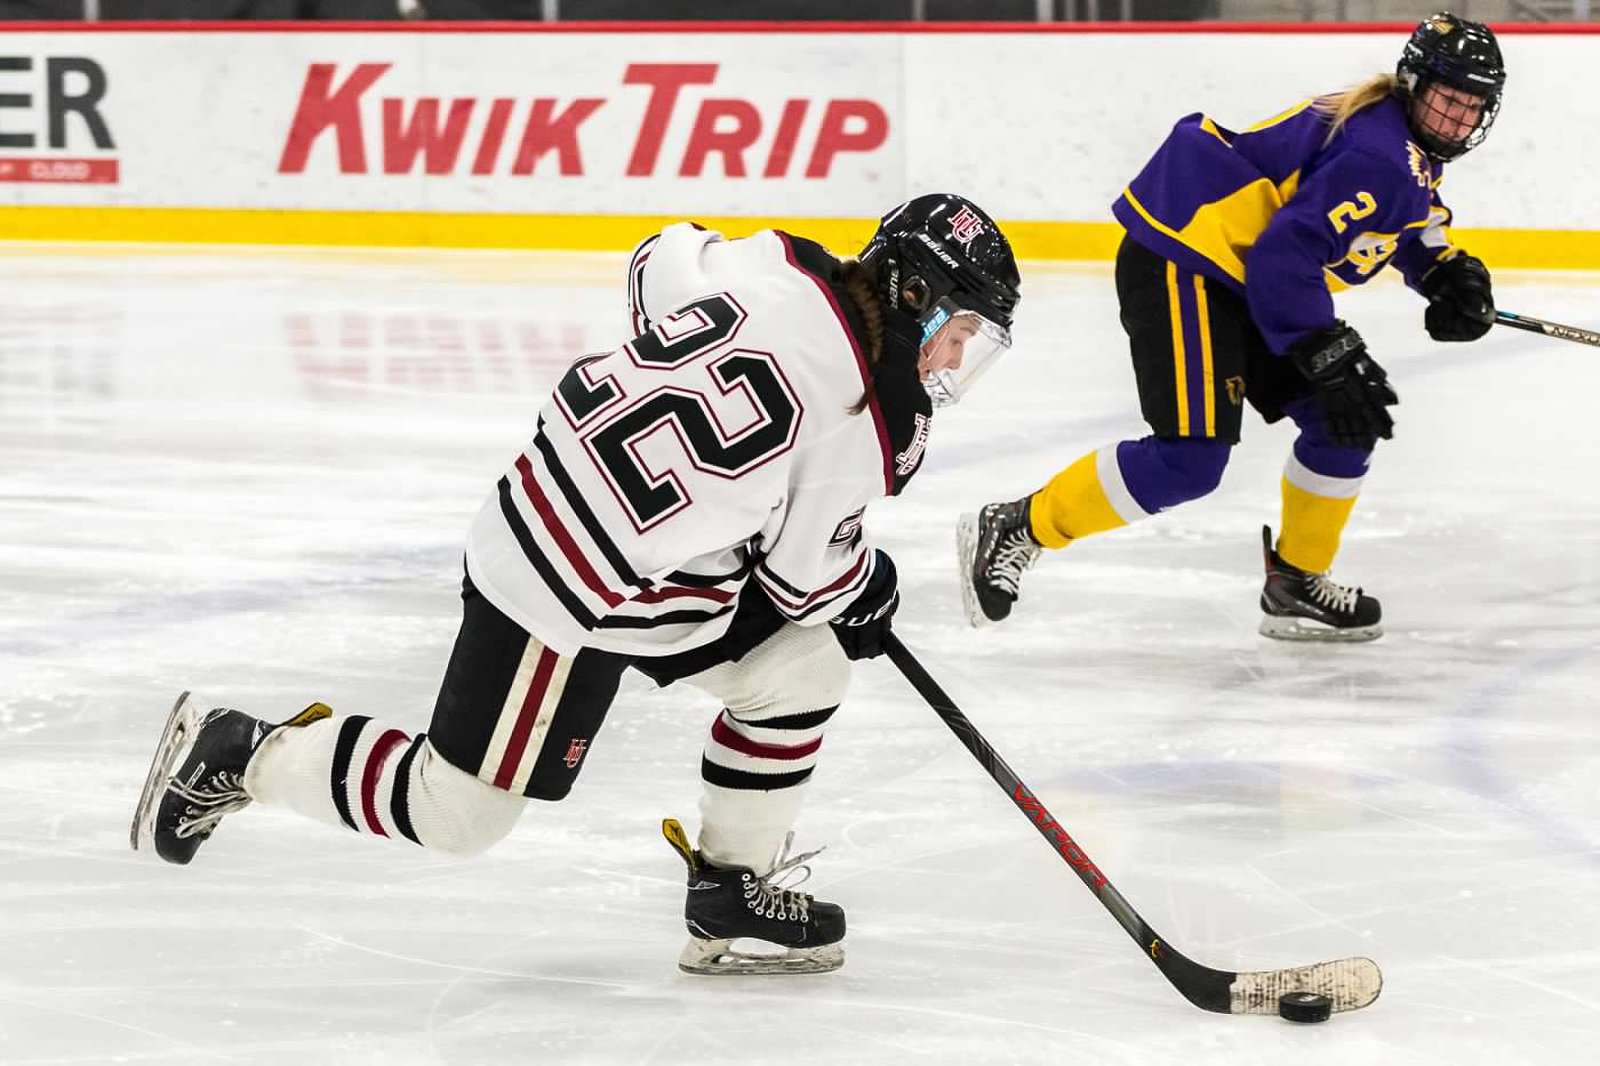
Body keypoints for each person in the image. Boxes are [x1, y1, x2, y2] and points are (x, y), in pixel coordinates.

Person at [131, 194, 1022, 976]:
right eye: (961, 332)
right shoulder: (870, 421)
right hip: (568, 594)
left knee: (801, 674)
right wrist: (865, 586)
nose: (952, 360)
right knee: (460, 814)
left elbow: (656, 257)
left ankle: (732, 896)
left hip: (595, 536)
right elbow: (802, 583)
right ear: (917, 296)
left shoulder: (776, 263)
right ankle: (242, 751)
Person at [958, 12, 1505, 643]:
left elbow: (1406, 217)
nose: (1457, 120)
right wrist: (1323, 347)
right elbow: (1285, 256)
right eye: (1448, 100)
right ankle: (1021, 525)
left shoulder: (1399, 142)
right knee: (1190, 459)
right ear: (1414, 83)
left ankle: (1297, 581)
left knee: (1342, 419)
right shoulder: (1377, 153)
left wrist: (1443, 272)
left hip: (1242, 273)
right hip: (1187, 257)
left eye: (1472, 106)